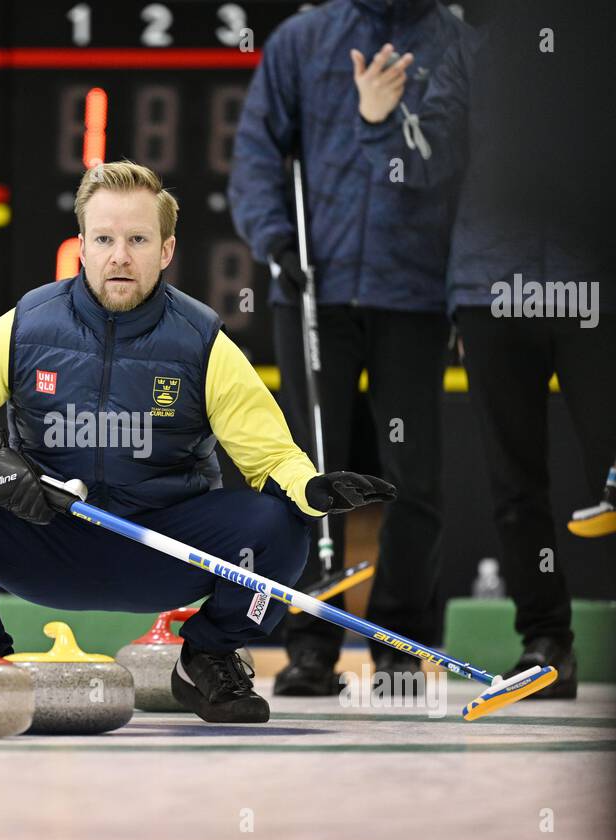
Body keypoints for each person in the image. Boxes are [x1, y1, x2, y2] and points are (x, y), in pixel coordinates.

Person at [0, 161, 395, 724]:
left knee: (279, 526)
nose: (120, 256)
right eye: (104, 239)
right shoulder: (26, 327)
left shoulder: (204, 341)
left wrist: (313, 489)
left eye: (137, 239)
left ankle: (208, 657)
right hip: (43, 537)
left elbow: (271, 457)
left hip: (159, 550)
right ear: (81, 246)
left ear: (167, 249)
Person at [352, 8, 616, 698]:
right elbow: (428, 163)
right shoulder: (471, 44)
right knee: (514, 484)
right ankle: (547, 645)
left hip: (596, 288)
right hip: (490, 289)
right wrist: (380, 119)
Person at [228, 0, 470, 695]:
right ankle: (309, 645)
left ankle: (398, 644)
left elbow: (458, 162)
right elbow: (254, 151)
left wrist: (384, 119)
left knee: (415, 480)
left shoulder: (453, 42)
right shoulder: (305, 38)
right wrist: (276, 242)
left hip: (414, 296)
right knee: (309, 472)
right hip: (315, 292)